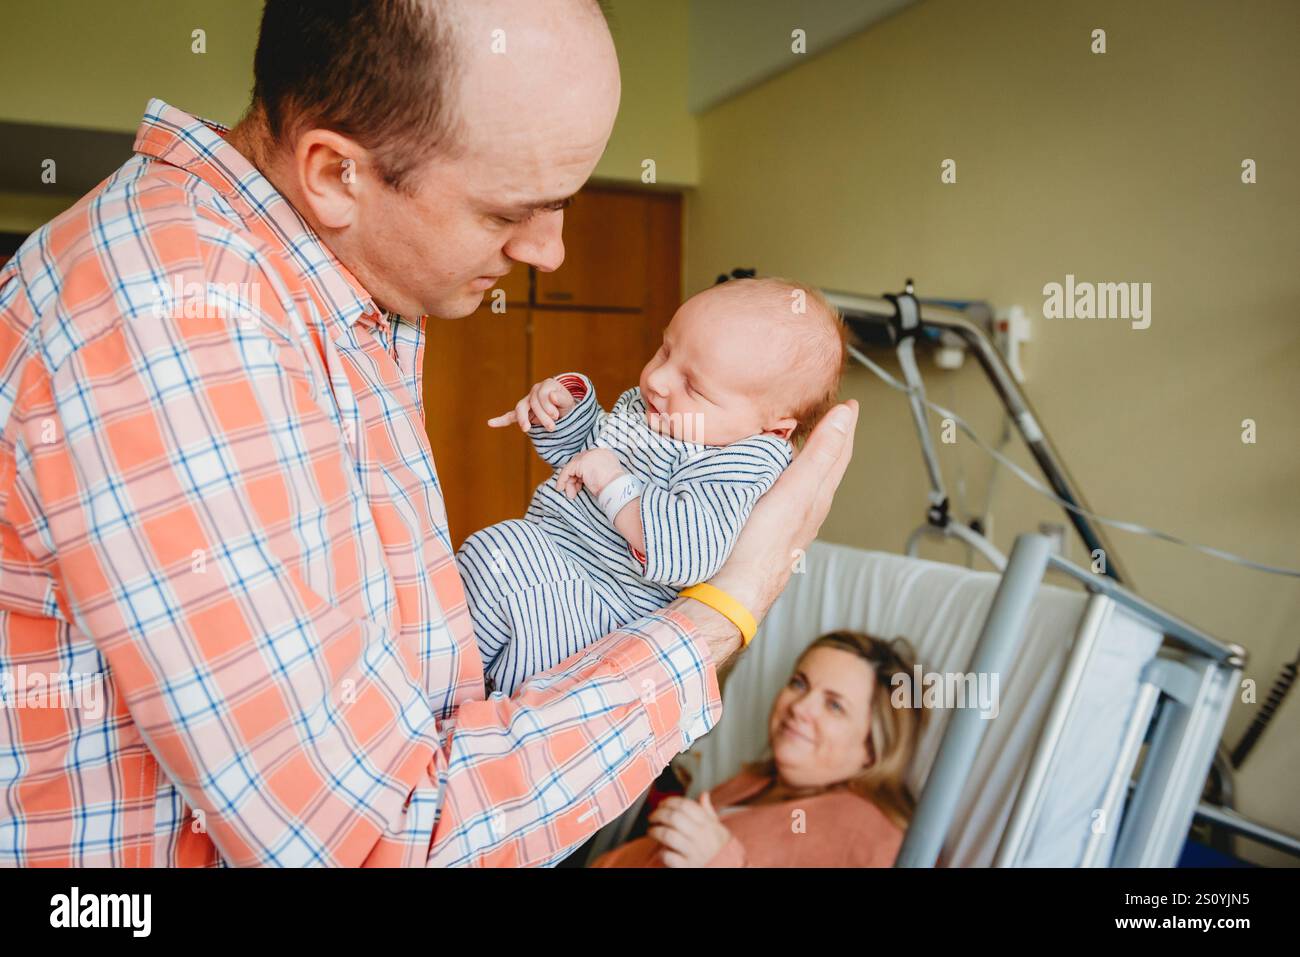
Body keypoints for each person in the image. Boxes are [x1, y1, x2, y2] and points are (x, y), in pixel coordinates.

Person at [0, 0, 856, 867]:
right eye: (506, 212)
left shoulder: (329, 286)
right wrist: (723, 612)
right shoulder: (182, 331)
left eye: (563, 201)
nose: (550, 253)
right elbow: (371, 841)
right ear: (336, 174)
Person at [458, 278, 848, 696]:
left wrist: (611, 480)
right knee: (490, 560)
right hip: (548, 566)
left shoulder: (740, 464)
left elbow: (688, 550)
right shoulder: (663, 410)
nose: (658, 379)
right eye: (665, 349)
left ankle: (465, 702)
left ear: (771, 427)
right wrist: (561, 410)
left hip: (599, 614)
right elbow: (586, 457)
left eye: (694, 385)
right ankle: (445, 692)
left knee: (502, 564)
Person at [591, 631, 923, 867]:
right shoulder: (758, 783)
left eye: (834, 706)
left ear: (872, 749)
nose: (799, 707)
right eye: (799, 683)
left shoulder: (871, 834)